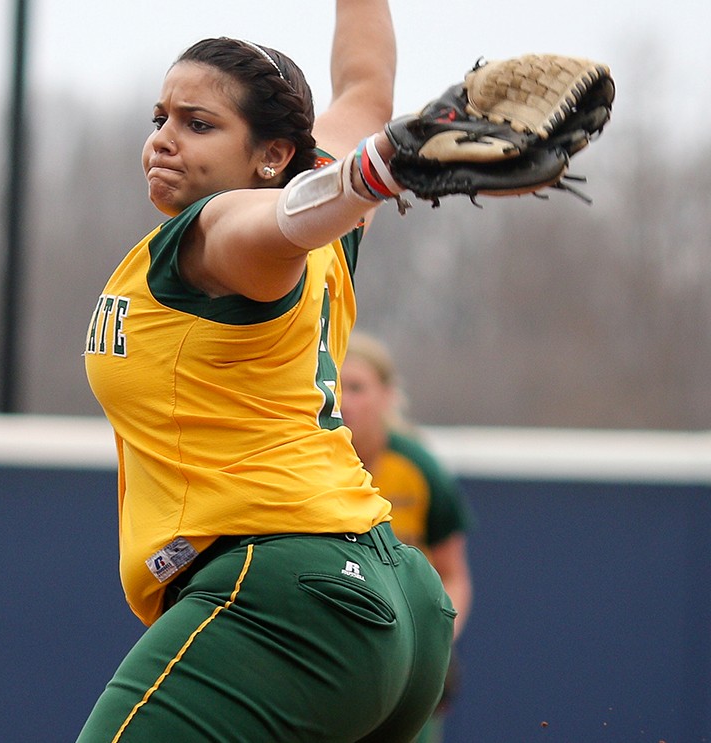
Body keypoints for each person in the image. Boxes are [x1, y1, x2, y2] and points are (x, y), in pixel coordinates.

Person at [80, 2, 457, 740]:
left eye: (198, 124)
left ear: (273, 155)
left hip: (286, 597)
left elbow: (278, 223)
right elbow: (364, 88)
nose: (163, 139)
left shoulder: (221, 233)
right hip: (394, 598)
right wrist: (364, 170)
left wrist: (374, 171)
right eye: (160, 118)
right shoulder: (325, 203)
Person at [340, 331, 474, 743]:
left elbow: (453, 574)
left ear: (387, 395)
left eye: (357, 387)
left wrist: (436, 641)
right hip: (336, 651)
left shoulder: (418, 469)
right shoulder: (303, 464)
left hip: (407, 660)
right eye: (335, 385)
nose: (344, 400)